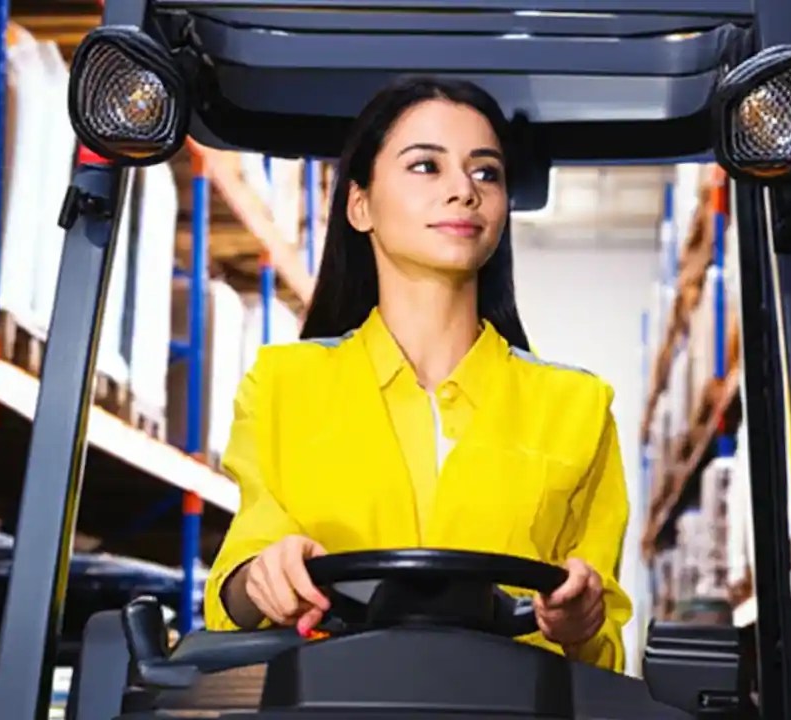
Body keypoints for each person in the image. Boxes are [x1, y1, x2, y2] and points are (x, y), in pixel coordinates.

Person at [202, 75, 632, 673]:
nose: (463, 190)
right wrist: (262, 579)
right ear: (360, 205)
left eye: (486, 173)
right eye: (426, 167)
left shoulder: (577, 408)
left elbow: (603, 638)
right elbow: (237, 582)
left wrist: (581, 618)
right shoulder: (282, 386)